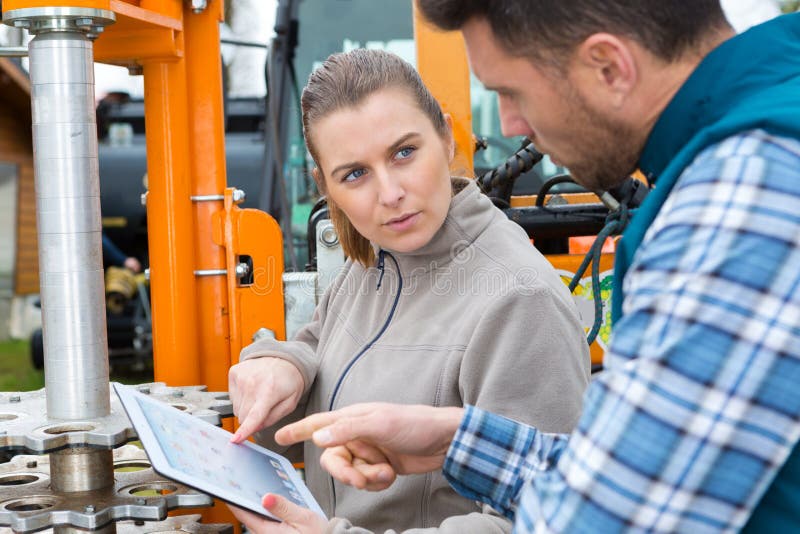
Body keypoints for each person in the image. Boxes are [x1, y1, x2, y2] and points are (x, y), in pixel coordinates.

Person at [264, 2, 800, 533]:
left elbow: (602, 521)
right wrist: (460, 441)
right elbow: (628, 476)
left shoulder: (741, 200)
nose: (508, 124)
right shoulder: (764, 132)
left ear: (608, 67)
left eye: (511, 91)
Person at [226, 49, 590, 533]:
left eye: (403, 152)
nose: (390, 193)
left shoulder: (521, 300)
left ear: (444, 135)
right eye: (355, 174)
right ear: (325, 186)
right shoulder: (372, 266)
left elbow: (542, 522)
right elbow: (320, 351)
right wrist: (281, 364)